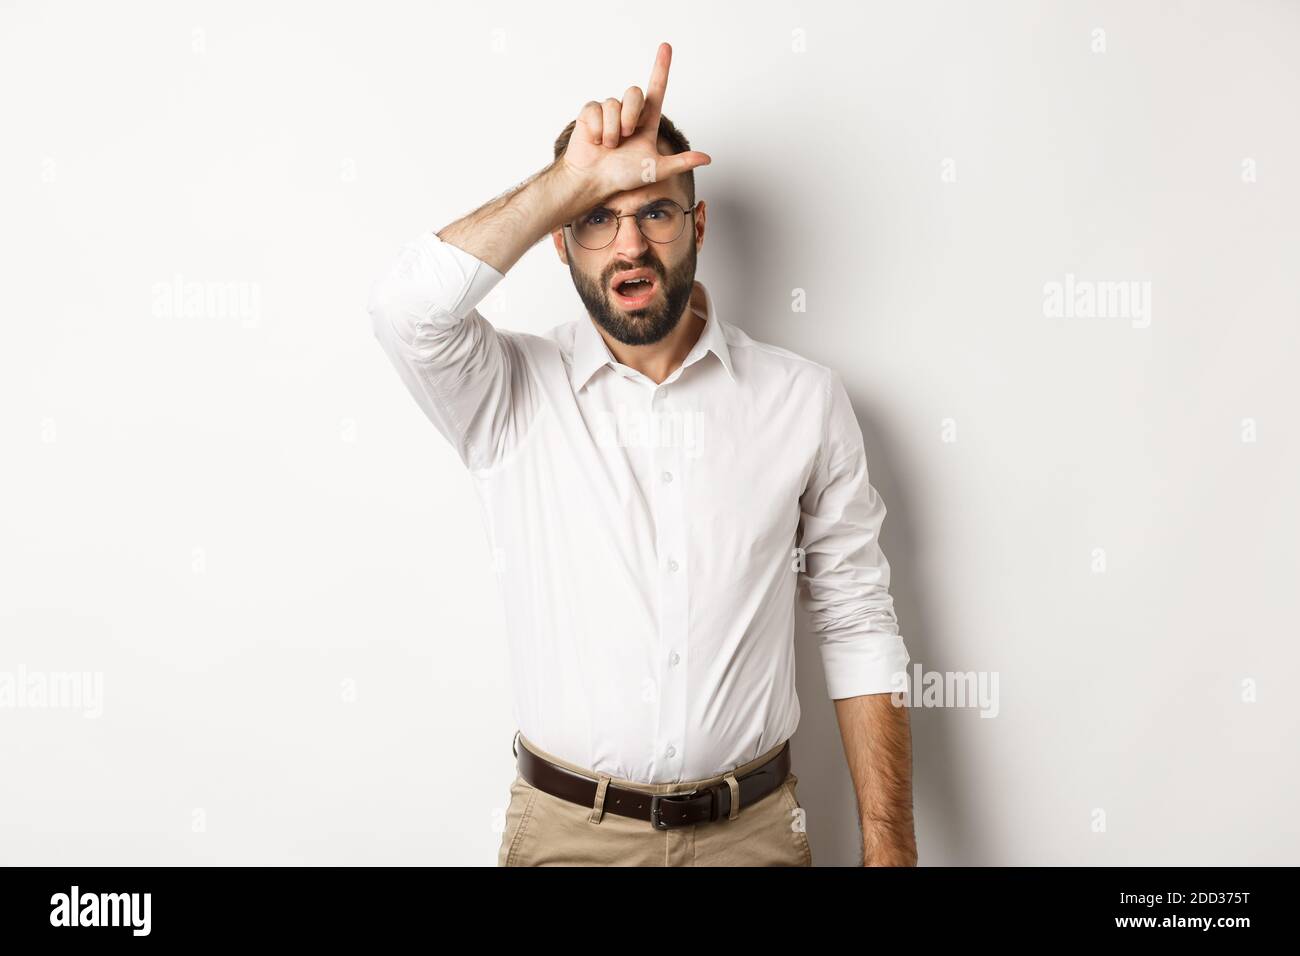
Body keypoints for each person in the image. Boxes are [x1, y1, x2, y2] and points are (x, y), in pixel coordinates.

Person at [368, 42, 917, 867]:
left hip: (754, 838)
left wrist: (890, 846)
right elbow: (405, 310)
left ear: (697, 225)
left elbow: (856, 619)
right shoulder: (508, 392)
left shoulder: (804, 401)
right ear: (560, 242)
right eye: (597, 217)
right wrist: (564, 184)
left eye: (654, 212)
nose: (628, 244)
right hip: (565, 839)